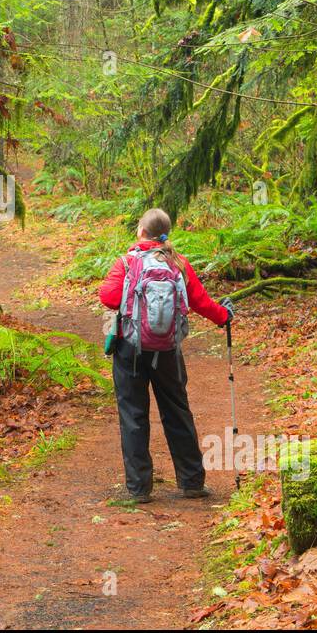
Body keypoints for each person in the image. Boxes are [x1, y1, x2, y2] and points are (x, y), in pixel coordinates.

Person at [98, 207, 234, 503]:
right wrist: (224, 316)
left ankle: (139, 489)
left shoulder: (126, 263)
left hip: (129, 348)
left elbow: (107, 297)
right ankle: (192, 482)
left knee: (133, 414)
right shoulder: (178, 264)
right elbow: (200, 301)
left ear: (140, 231)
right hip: (168, 350)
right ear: (166, 233)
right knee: (177, 411)